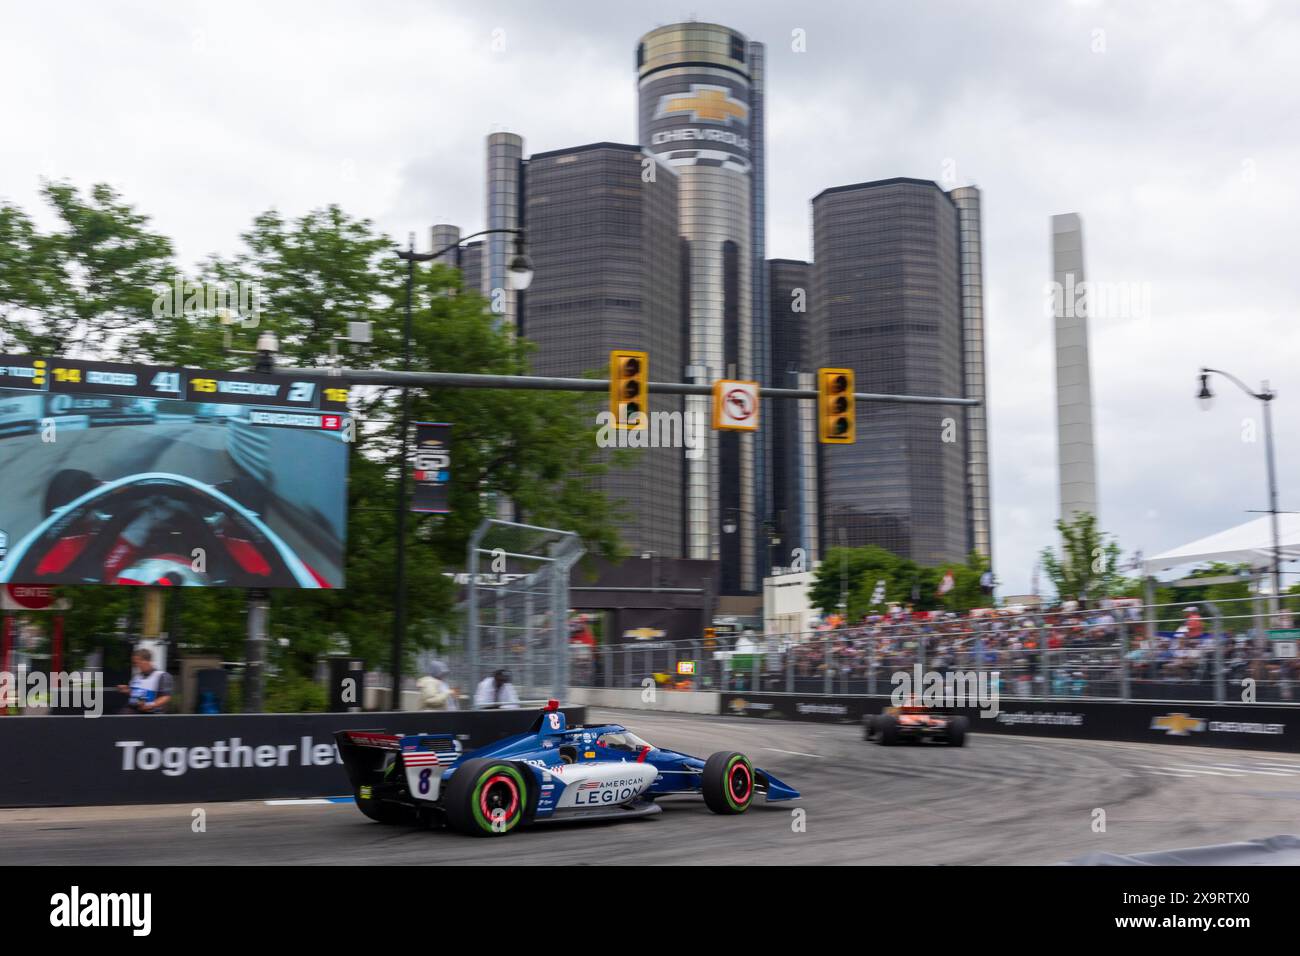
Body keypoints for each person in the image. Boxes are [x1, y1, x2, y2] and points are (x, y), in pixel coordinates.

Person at [116, 647, 173, 714]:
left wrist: (150, 705)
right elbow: (135, 694)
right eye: (134, 663)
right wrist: (127, 690)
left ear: (146, 661)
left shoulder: (162, 676)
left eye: (137, 662)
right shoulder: (136, 676)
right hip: (133, 710)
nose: (136, 665)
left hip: (151, 713)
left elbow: (166, 697)